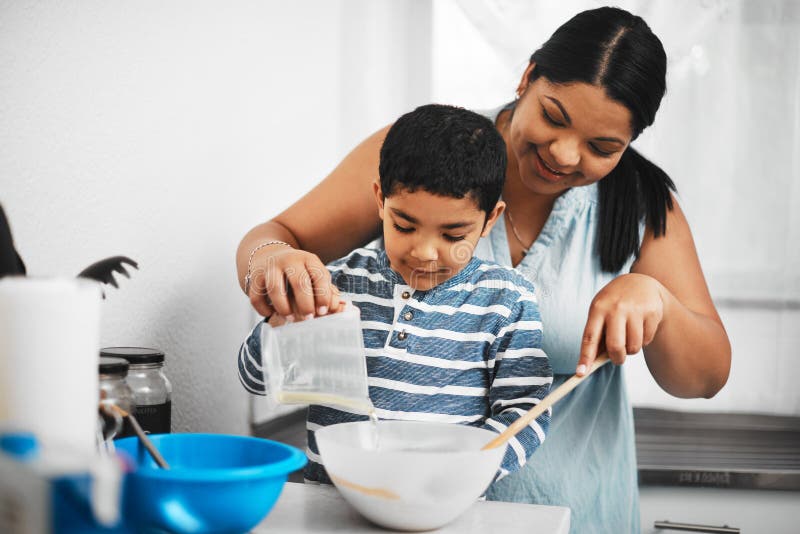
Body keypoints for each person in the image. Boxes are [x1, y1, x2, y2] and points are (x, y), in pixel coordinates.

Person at [235, 7, 731, 533]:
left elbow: (705, 378)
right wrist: (272, 263)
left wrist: (656, 299)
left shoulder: (641, 205)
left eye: (601, 146)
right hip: (386, 511)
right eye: (554, 116)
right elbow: (274, 237)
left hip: (576, 514)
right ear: (527, 77)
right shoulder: (424, 153)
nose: (564, 155)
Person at [238, 104, 553, 484]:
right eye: (404, 226)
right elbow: (255, 379)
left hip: (442, 505)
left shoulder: (506, 301)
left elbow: (525, 413)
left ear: (490, 219)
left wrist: (466, 469)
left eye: (453, 235)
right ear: (380, 200)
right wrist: (285, 321)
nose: (425, 252)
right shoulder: (336, 282)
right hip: (330, 503)